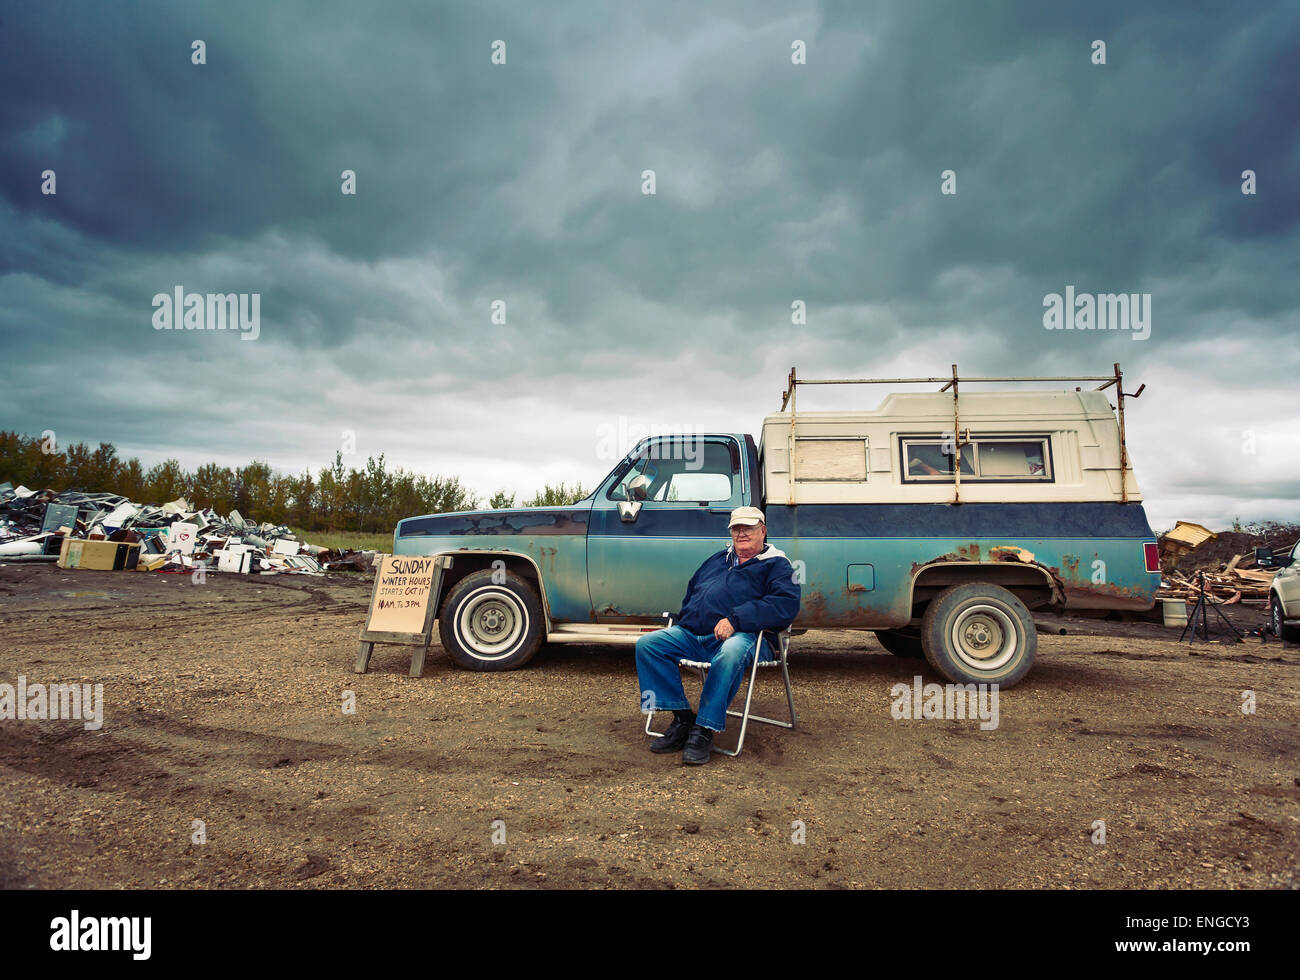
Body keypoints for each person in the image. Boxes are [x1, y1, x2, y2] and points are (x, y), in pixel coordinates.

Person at [635, 506, 801, 765]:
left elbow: (785, 606)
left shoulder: (778, 565)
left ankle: (704, 729)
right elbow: (692, 592)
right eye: (736, 528)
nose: (742, 533)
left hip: (749, 639)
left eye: (748, 528)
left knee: (732, 651)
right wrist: (687, 619)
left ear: (763, 531)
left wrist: (737, 619)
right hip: (696, 634)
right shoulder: (717, 560)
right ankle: (682, 719)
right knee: (648, 645)